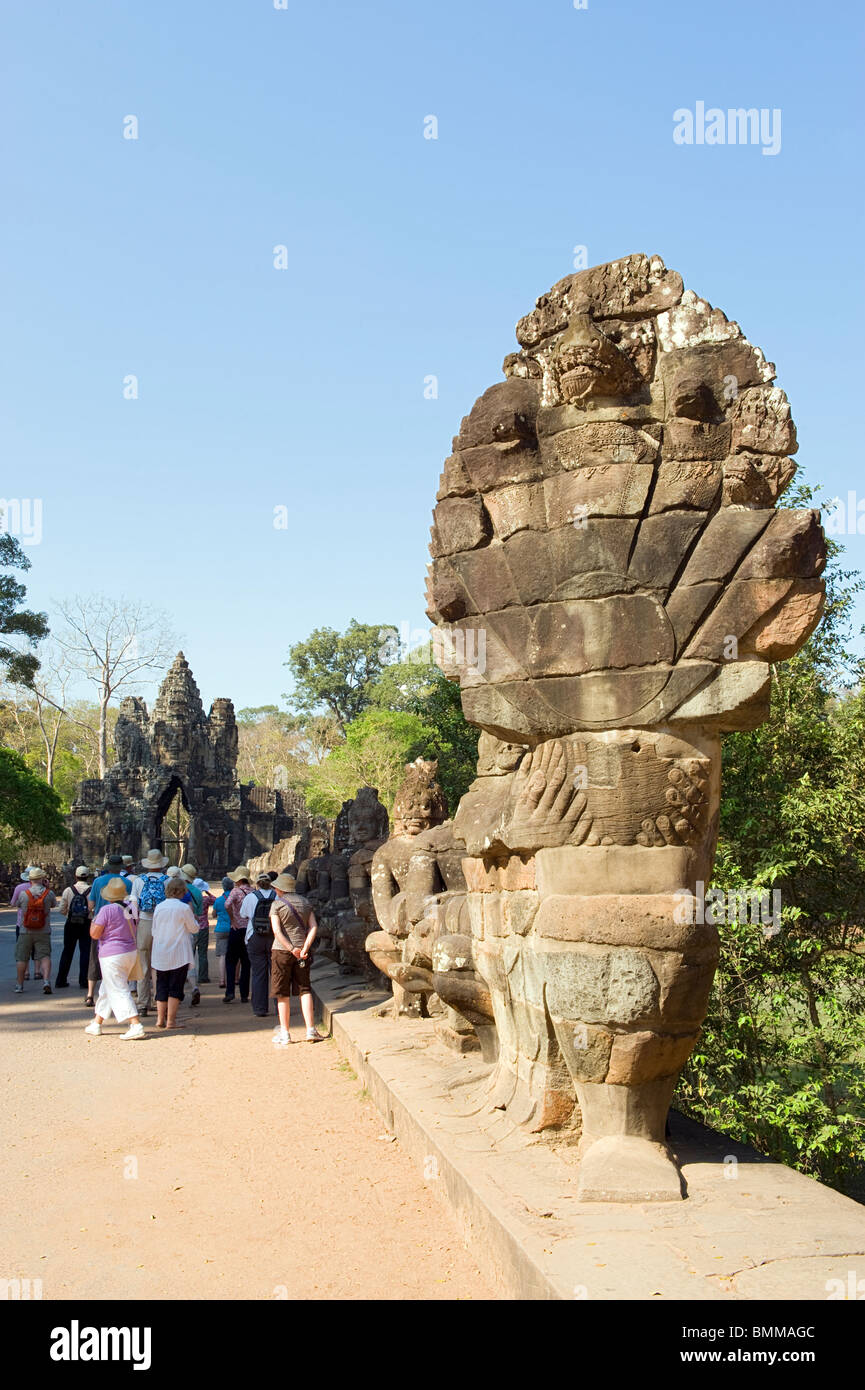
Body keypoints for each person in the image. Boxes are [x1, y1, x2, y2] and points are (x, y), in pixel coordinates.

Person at [84, 878, 144, 1039]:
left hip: (112, 953)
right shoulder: (131, 908)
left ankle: (135, 1023)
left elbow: (95, 934)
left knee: (118, 988)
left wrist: (93, 921)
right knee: (108, 987)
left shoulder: (106, 910)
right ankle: (97, 1022)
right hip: (129, 951)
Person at [269, 873, 324, 1046]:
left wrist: (291, 948)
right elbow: (313, 926)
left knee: (282, 993)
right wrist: (305, 947)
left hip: (281, 950)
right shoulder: (305, 903)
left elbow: (277, 931)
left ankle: (285, 1033)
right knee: (304, 989)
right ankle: (310, 1029)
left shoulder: (277, 905)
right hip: (303, 952)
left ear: (280, 889)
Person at [150, 876, 199, 1029]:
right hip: (179, 952)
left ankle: (160, 1018)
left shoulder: (159, 907)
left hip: (161, 950)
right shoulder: (183, 908)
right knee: (175, 987)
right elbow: (194, 928)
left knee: (162, 984)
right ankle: (171, 1020)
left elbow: (154, 930)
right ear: (182, 892)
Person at [130, 849, 169, 1018]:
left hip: (144, 922)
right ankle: (159, 999)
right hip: (162, 923)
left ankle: (142, 1003)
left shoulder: (139, 881)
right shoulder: (168, 881)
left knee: (143, 964)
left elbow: (132, 904)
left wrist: (134, 923)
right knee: (160, 964)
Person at [241, 871, 279, 1018]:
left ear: (257, 884)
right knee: (275, 972)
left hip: (254, 937)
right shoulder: (276, 896)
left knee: (258, 973)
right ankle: (279, 1006)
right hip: (274, 936)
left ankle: (260, 1008)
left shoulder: (251, 897)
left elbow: (243, 914)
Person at [14, 867, 57, 994]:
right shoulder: (49, 893)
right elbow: (54, 905)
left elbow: (18, 905)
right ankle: (46, 981)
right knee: (45, 955)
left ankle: (19, 985)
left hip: (25, 930)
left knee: (22, 957)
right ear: (42, 879)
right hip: (43, 930)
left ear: (30, 879)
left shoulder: (24, 894)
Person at [55, 866, 93, 990]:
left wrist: (70, 915)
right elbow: (94, 908)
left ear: (75, 876)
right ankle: (83, 981)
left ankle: (61, 980)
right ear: (88, 876)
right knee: (85, 951)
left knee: (67, 951)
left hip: (71, 923)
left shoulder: (68, 890)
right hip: (86, 923)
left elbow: (61, 909)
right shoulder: (92, 890)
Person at [181, 864, 213, 988]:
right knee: (202, 953)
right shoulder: (197, 893)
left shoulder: (178, 889)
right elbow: (198, 913)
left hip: (181, 926)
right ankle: (202, 976)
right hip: (198, 926)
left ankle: (183, 976)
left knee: (187, 954)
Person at [223, 867, 251, 1004]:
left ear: (239, 880)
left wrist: (232, 918)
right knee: (246, 963)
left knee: (231, 962)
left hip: (236, 929)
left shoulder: (235, 891)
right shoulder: (253, 891)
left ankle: (230, 992)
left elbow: (227, 904)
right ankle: (244, 994)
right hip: (249, 931)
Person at [212, 877, 234, 990]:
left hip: (221, 929)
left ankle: (222, 979)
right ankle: (236, 978)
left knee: (223, 955)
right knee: (235, 955)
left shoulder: (219, 900)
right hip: (234, 928)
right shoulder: (235, 898)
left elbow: (214, 914)